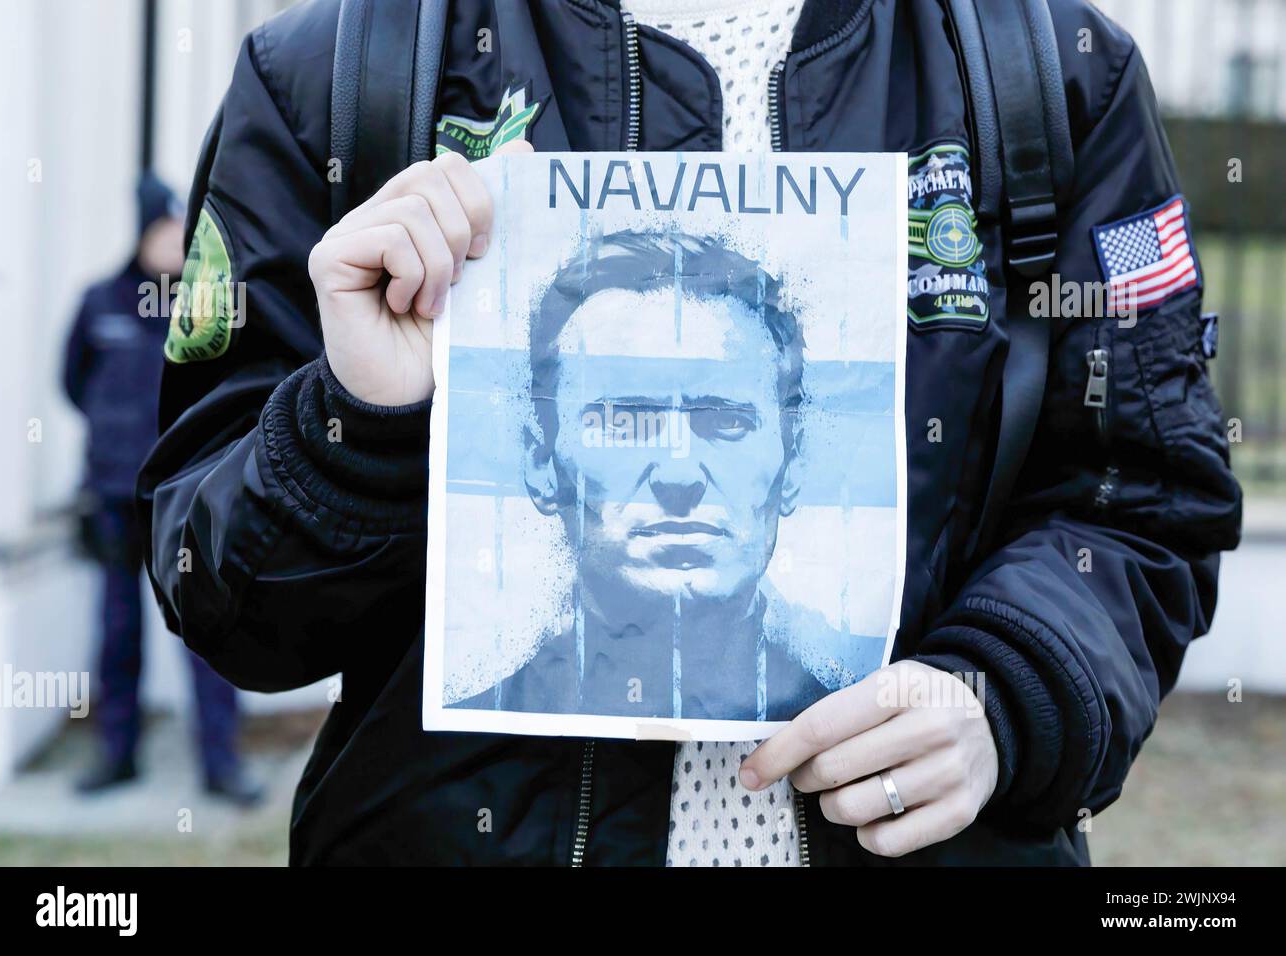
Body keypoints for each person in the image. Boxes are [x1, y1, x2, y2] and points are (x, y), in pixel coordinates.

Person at [139, 0, 1241, 865]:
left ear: (794, 444)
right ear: (542, 445)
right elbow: (225, 599)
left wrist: (1004, 692)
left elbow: (1139, 494)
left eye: (723, 417)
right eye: (621, 413)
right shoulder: (340, 72)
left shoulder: (1051, 70)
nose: (674, 475)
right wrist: (359, 419)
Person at [454, 230, 832, 720]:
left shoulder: (877, 727)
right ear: (540, 459)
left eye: (726, 423)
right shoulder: (466, 730)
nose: (679, 474)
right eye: (623, 423)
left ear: (794, 462)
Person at [64, 172, 262, 806]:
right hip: (116, 499)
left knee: (204, 629)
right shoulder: (100, 303)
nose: (172, 243)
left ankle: (220, 764)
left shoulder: (205, 308)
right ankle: (116, 755)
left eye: (180, 230)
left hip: (186, 502)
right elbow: (71, 382)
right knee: (117, 630)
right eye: (162, 229)